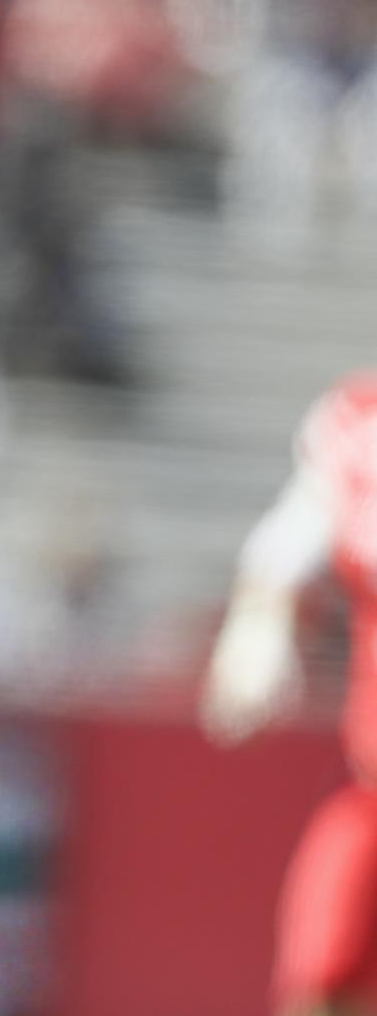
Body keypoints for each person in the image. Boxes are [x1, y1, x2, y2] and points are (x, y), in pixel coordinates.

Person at [203, 371, 377, 1016]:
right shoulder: (361, 425)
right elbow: (287, 542)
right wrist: (259, 625)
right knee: (321, 980)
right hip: (371, 793)